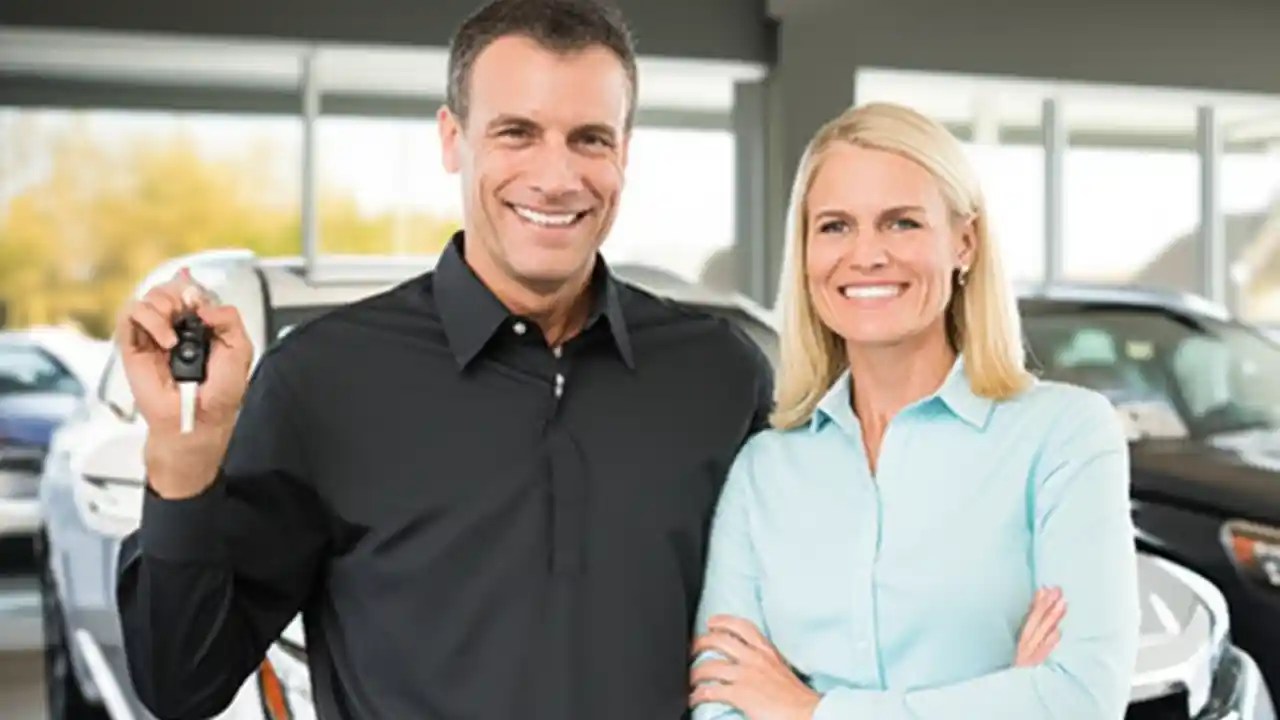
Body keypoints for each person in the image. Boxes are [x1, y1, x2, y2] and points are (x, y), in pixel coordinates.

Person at [113, 1, 772, 718]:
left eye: (590, 139)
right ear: (452, 139)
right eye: (517, 133)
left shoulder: (719, 378)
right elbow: (182, 683)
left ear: (625, 153)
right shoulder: (320, 382)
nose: (556, 177)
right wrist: (183, 458)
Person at [688, 102, 1140, 719]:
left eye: (901, 223)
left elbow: (1079, 699)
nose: (866, 254)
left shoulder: (1063, 437)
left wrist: (807, 709)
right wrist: (1004, 698)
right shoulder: (764, 470)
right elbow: (721, 707)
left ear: (964, 243)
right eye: (835, 226)